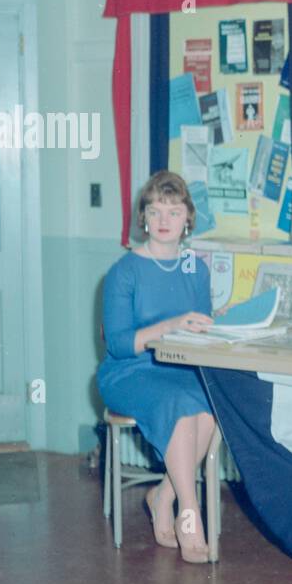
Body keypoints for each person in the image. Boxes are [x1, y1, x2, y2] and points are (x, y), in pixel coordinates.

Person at [97, 171, 218, 563]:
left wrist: (216, 323)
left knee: (212, 405)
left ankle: (163, 494)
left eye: (174, 211)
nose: (164, 220)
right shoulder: (123, 271)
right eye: (155, 211)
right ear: (144, 217)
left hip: (181, 369)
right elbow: (117, 344)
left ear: (188, 219)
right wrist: (169, 325)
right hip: (130, 371)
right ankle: (189, 510)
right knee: (180, 406)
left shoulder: (195, 269)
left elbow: (199, 328)